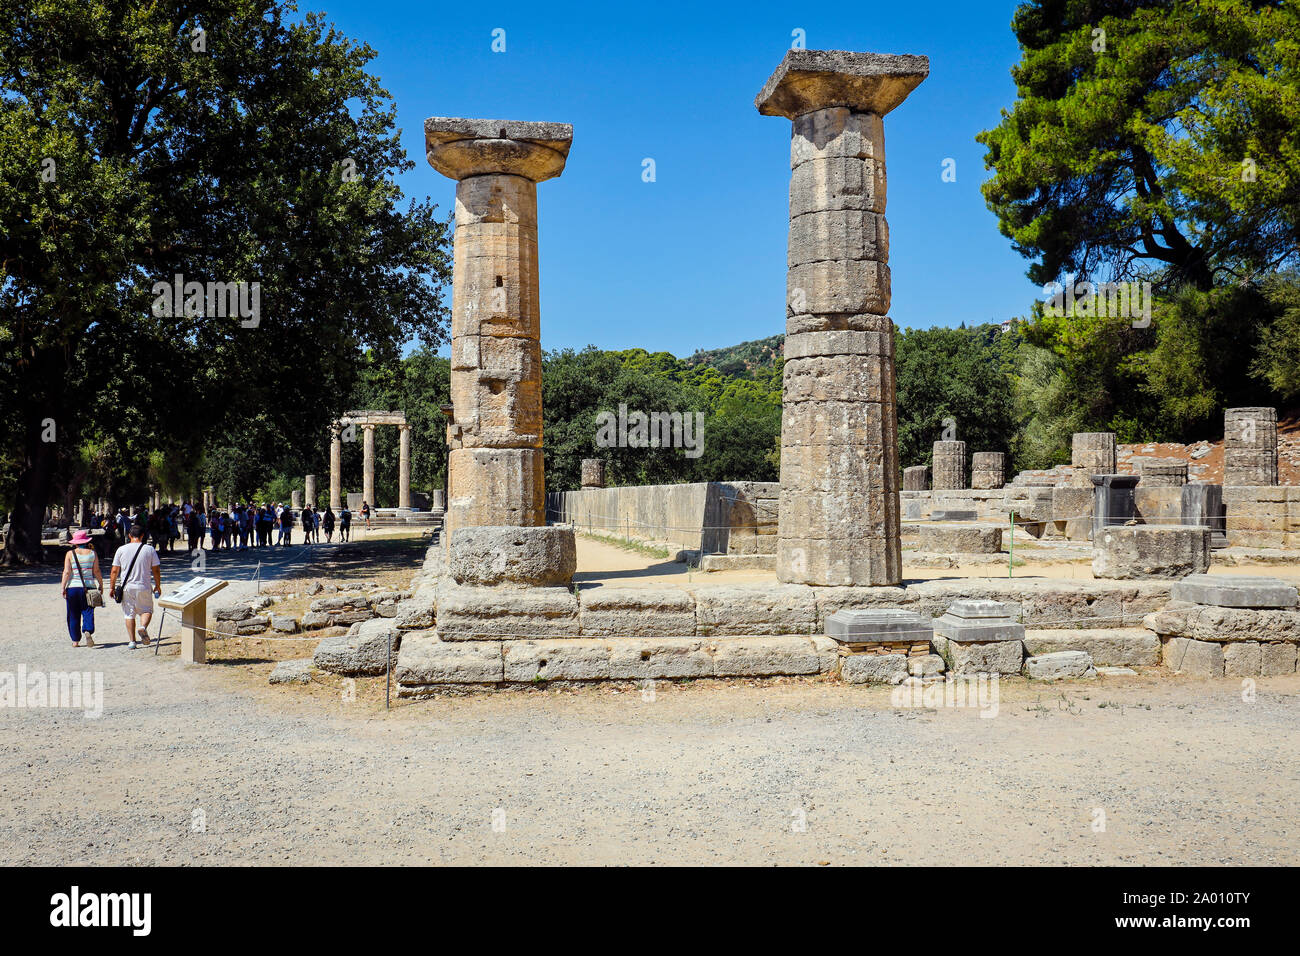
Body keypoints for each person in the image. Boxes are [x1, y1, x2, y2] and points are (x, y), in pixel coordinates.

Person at [109, 523, 162, 649]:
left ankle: (132, 641)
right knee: (147, 610)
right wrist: (158, 585)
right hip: (144, 585)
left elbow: (114, 571)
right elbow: (156, 570)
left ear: (129, 535)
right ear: (143, 536)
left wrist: (111, 587)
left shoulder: (121, 550)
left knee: (129, 614)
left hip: (127, 587)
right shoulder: (149, 550)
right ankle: (143, 627)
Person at [61, 530, 103, 647]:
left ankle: (75, 640)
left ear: (75, 543)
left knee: (73, 614)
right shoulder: (92, 553)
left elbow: (67, 572)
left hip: (73, 587)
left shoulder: (70, 554)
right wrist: (101, 584)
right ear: (86, 541)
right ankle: (88, 630)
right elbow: (96, 571)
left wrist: (63, 587)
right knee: (88, 610)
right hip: (89, 587)